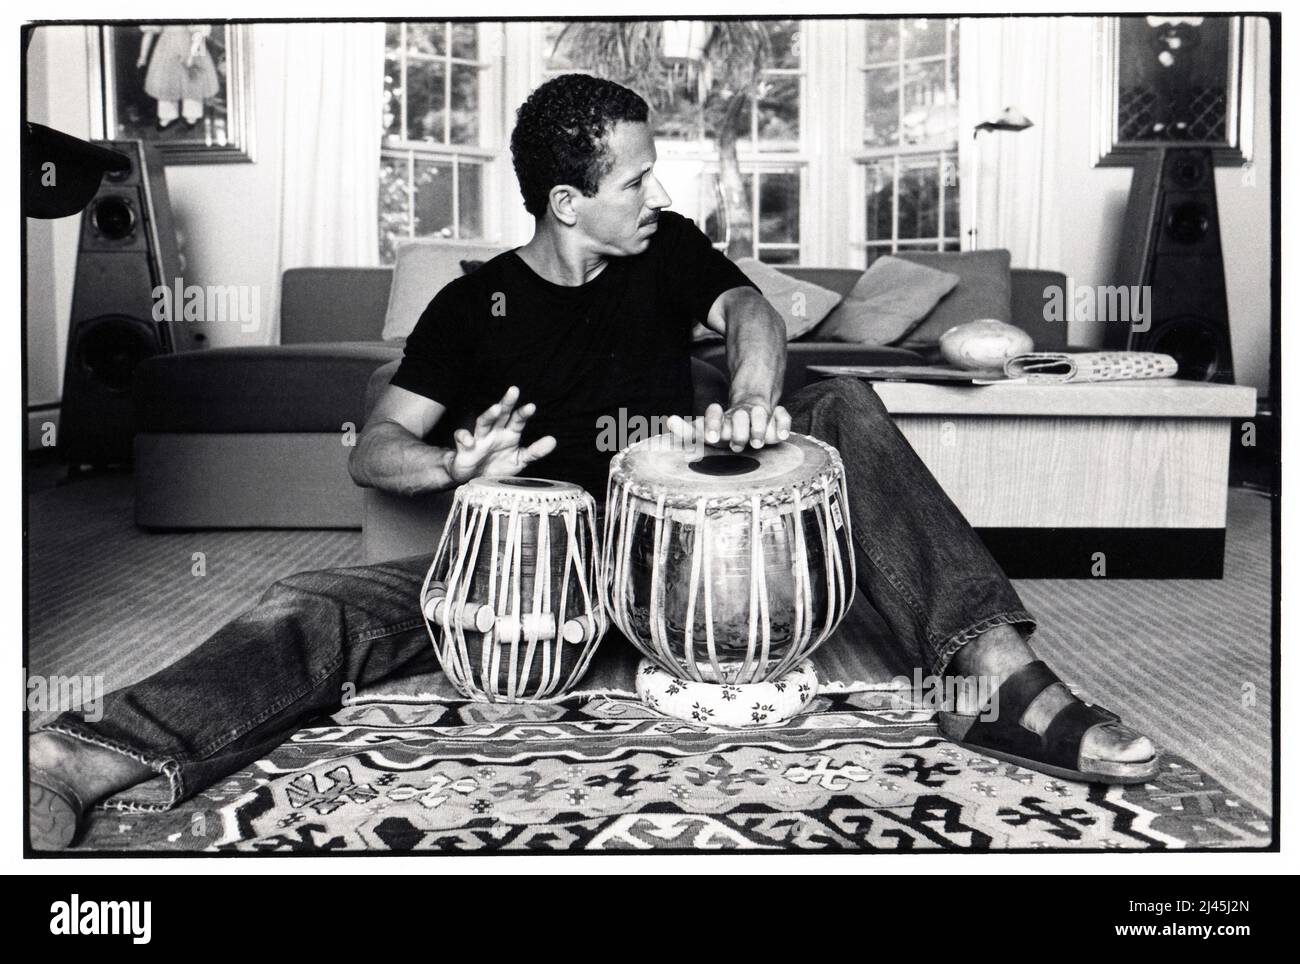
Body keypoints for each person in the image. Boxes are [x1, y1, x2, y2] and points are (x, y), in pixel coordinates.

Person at [29, 74, 1158, 850]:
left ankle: (998, 680)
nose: (652, 196)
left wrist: (758, 401)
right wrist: (451, 464)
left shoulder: (664, 254)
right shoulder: (474, 309)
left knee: (845, 403)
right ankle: (85, 753)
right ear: (570, 202)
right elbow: (378, 450)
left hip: (691, 566)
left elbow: (750, 310)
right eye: (633, 180)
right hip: (538, 584)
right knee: (308, 605)